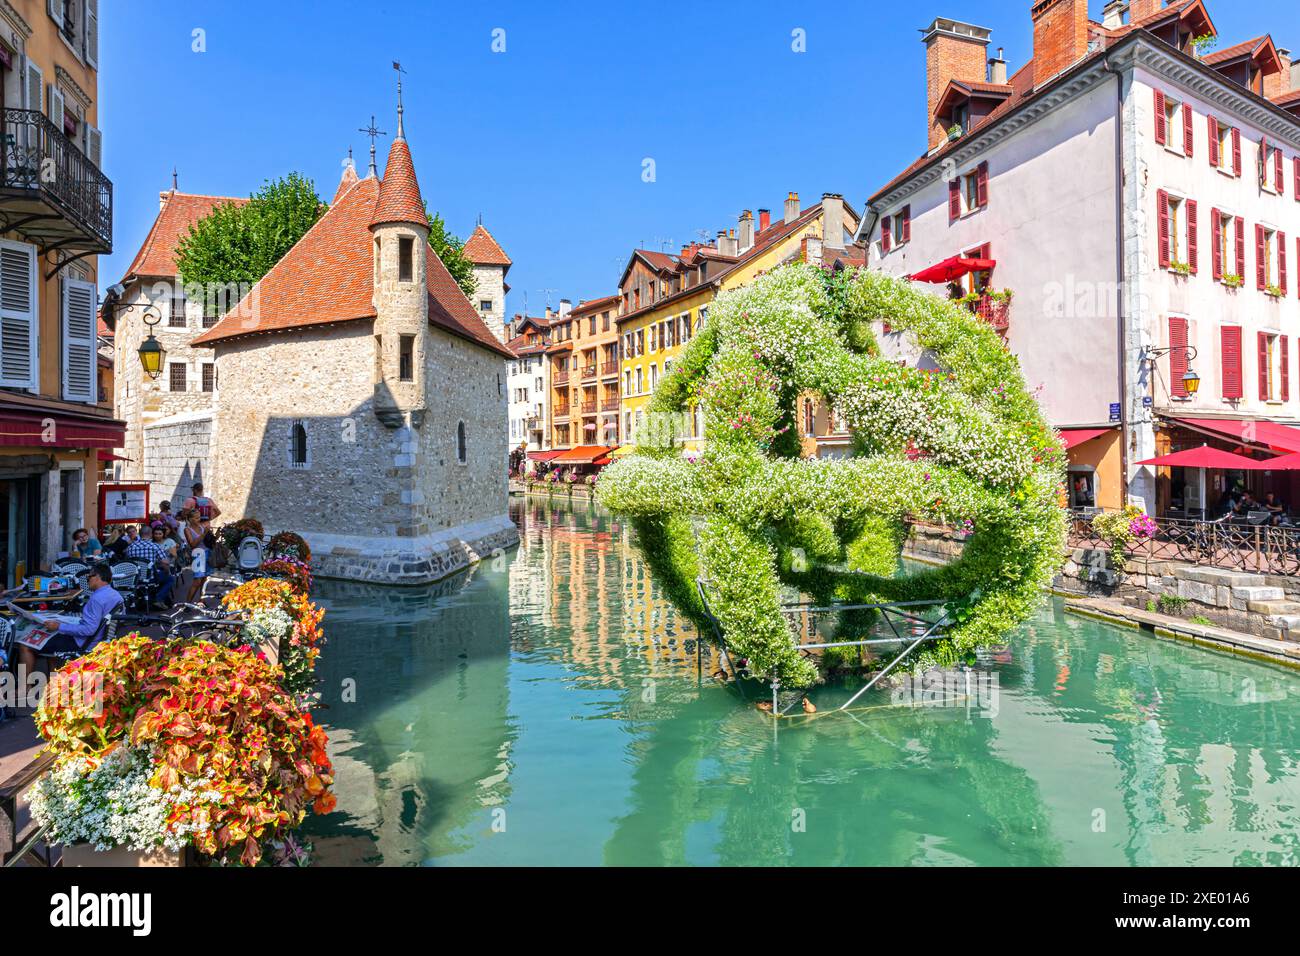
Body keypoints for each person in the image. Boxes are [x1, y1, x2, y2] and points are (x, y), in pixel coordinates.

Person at [16, 562, 122, 672]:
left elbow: (89, 629)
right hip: (100, 640)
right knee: (54, 636)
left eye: (89, 576)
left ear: (98, 577)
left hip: (84, 643)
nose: (87, 579)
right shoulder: (116, 595)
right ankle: (54, 683)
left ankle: (25, 687)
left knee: (25, 645)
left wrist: (59, 626)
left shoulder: (97, 599)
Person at [125, 526, 175, 608]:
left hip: (135, 578)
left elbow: (128, 562)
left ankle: (146, 598)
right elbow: (165, 562)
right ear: (151, 534)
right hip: (150, 577)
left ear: (140, 534)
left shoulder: (130, 547)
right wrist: (167, 571)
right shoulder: (155, 546)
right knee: (170, 579)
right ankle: (158, 599)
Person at [182, 508, 209, 603]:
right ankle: (188, 603)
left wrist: (215, 535)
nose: (199, 519)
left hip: (206, 553)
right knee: (197, 581)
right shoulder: (187, 530)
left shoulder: (201, 527)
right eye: (197, 518)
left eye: (199, 517)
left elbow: (207, 541)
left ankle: (201, 601)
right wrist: (204, 534)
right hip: (197, 554)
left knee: (204, 580)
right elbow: (193, 544)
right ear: (190, 519)